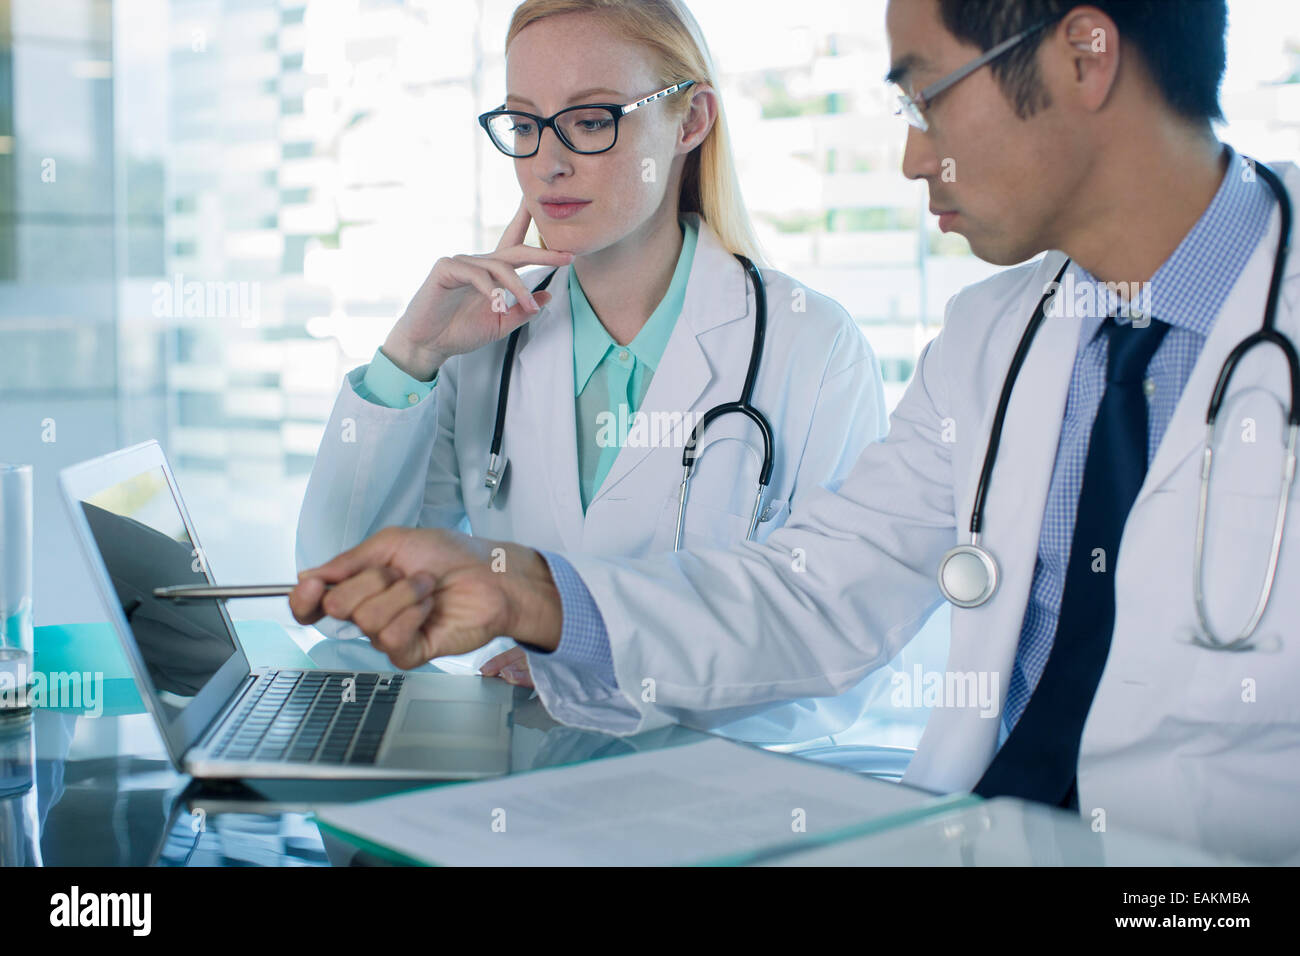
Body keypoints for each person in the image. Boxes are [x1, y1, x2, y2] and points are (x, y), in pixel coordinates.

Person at [291, 0, 1300, 861]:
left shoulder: (817, 337)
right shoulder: (992, 340)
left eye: (928, 95)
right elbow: (816, 595)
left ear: (1085, 53)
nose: (911, 156)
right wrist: (528, 589)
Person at [294, 0, 924, 748]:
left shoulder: (811, 346)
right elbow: (340, 601)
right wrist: (413, 357)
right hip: (517, 798)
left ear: (690, 123)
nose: (547, 163)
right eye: (525, 126)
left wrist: (588, 668)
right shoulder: (483, 343)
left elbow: (836, 662)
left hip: (707, 814)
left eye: (591, 121)